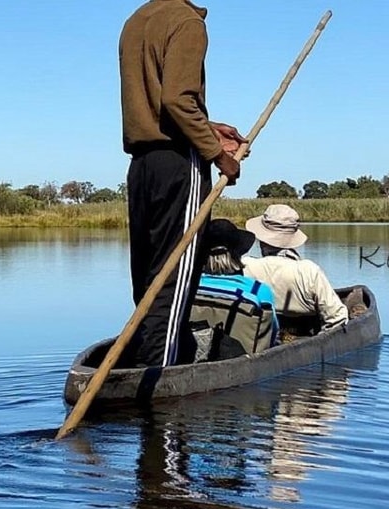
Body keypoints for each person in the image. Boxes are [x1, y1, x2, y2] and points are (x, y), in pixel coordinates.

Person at [119, 0, 248, 367]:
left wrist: (209, 127)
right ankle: (162, 386)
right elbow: (177, 99)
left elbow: (158, 106)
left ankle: (147, 366)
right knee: (172, 284)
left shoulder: (137, 21)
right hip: (179, 163)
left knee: (148, 284)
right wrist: (218, 154)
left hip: (143, 166)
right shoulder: (187, 21)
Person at [240, 204, 348, 330]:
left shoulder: (245, 266)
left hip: (261, 335)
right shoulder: (309, 271)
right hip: (304, 332)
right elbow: (338, 318)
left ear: (261, 238)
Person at [190, 219, 279, 359]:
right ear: (238, 253)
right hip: (246, 363)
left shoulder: (187, 288)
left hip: (191, 355)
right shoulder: (259, 291)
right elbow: (272, 335)